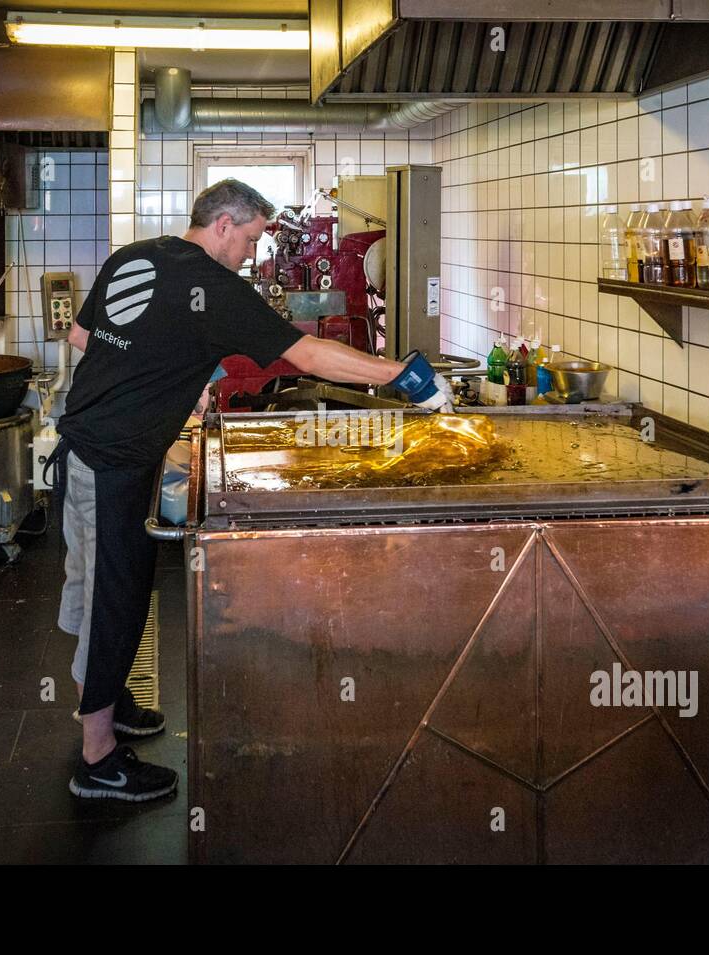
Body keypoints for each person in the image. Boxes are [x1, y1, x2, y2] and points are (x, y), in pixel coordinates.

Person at [54, 178, 453, 802]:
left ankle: (107, 704)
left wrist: (186, 368)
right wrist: (399, 375)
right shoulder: (217, 288)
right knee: (114, 600)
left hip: (81, 452)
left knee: (95, 586)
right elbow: (311, 357)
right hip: (113, 465)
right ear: (223, 225)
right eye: (249, 239)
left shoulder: (132, 257)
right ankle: (98, 759)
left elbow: (83, 338)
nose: (250, 253)